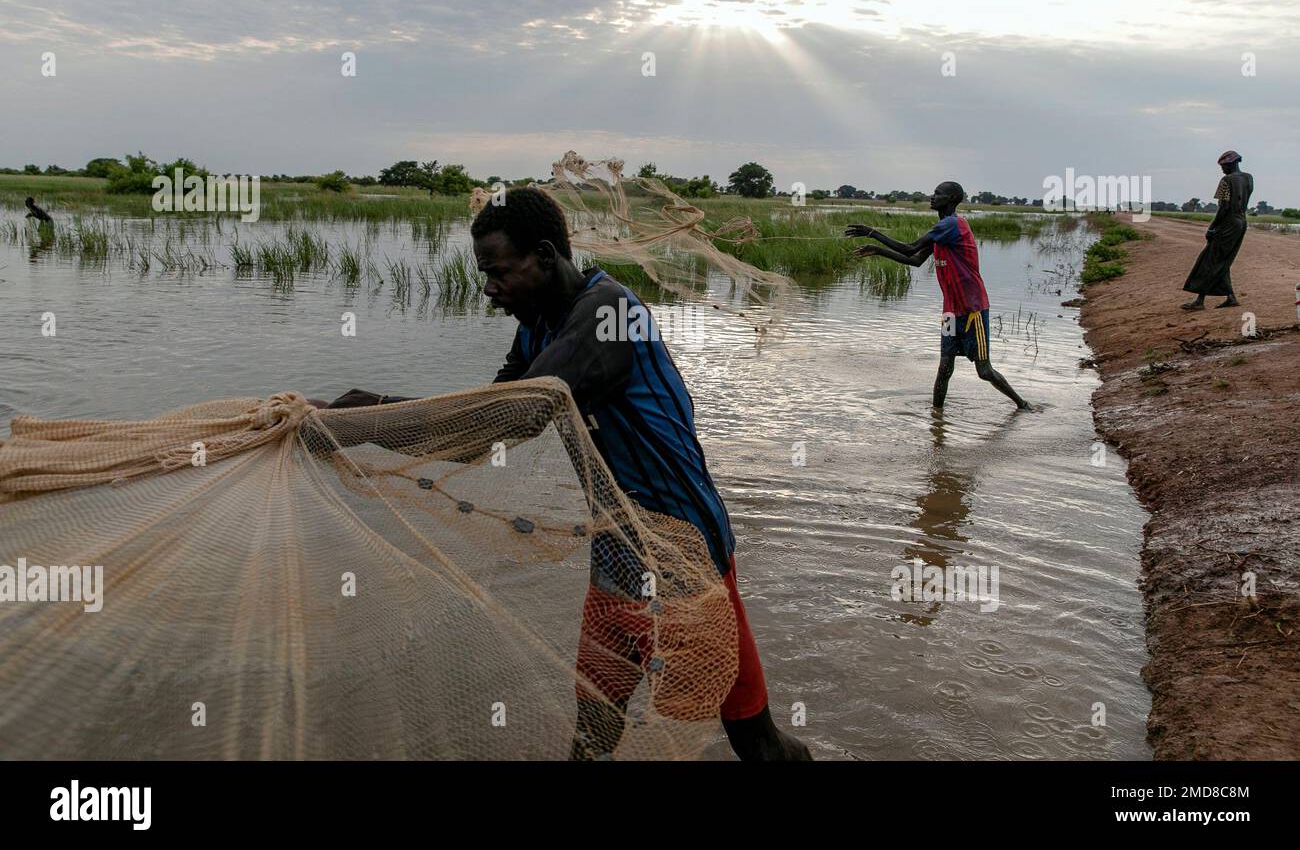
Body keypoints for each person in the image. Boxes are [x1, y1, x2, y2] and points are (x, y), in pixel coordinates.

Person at [320, 187, 810, 761]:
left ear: (546, 255)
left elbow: (509, 417)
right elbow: (480, 430)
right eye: (484, 273)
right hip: (618, 550)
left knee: (756, 742)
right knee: (593, 730)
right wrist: (357, 421)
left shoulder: (611, 315)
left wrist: (365, 415)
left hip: (685, 552)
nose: (489, 288)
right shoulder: (537, 326)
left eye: (500, 271)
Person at [846, 181, 1031, 411]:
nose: (932, 197)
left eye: (938, 194)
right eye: (933, 193)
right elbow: (915, 260)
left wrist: (872, 233)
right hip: (950, 313)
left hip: (973, 309)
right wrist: (878, 250)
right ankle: (937, 421)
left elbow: (910, 248)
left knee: (984, 371)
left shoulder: (953, 225)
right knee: (944, 368)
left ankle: (1022, 405)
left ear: (952, 199)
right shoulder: (942, 230)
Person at [1181, 150, 1252, 311]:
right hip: (1241, 222)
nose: (1222, 170)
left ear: (1232, 164)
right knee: (1224, 260)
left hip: (1228, 224)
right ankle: (1231, 297)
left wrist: (1212, 228)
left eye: (1224, 166)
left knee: (1209, 260)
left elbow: (1223, 207)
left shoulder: (1226, 180)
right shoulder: (1248, 178)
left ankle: (1199, 301)